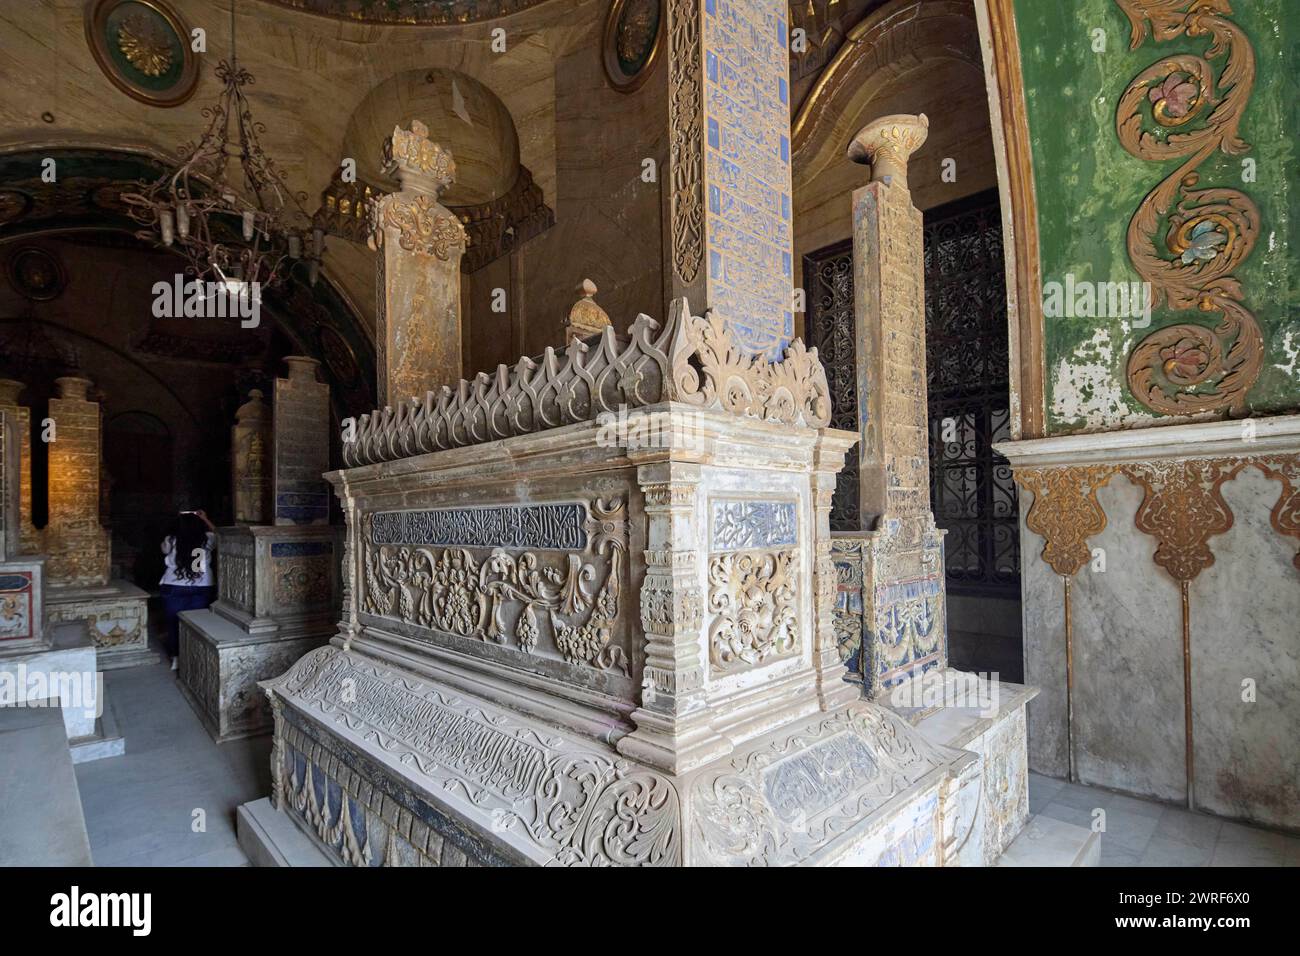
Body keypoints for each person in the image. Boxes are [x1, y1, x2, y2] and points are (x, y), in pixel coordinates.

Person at [160, 509, 217, 671]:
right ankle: (194, 659)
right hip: (202, 586)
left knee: (173, 623)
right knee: (196, 624)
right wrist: (205, 519)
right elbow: (223, 536)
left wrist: (174, 523)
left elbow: (163, 550)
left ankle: (176, 658)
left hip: (174, 586)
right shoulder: (208, 539)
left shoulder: (170, 540)